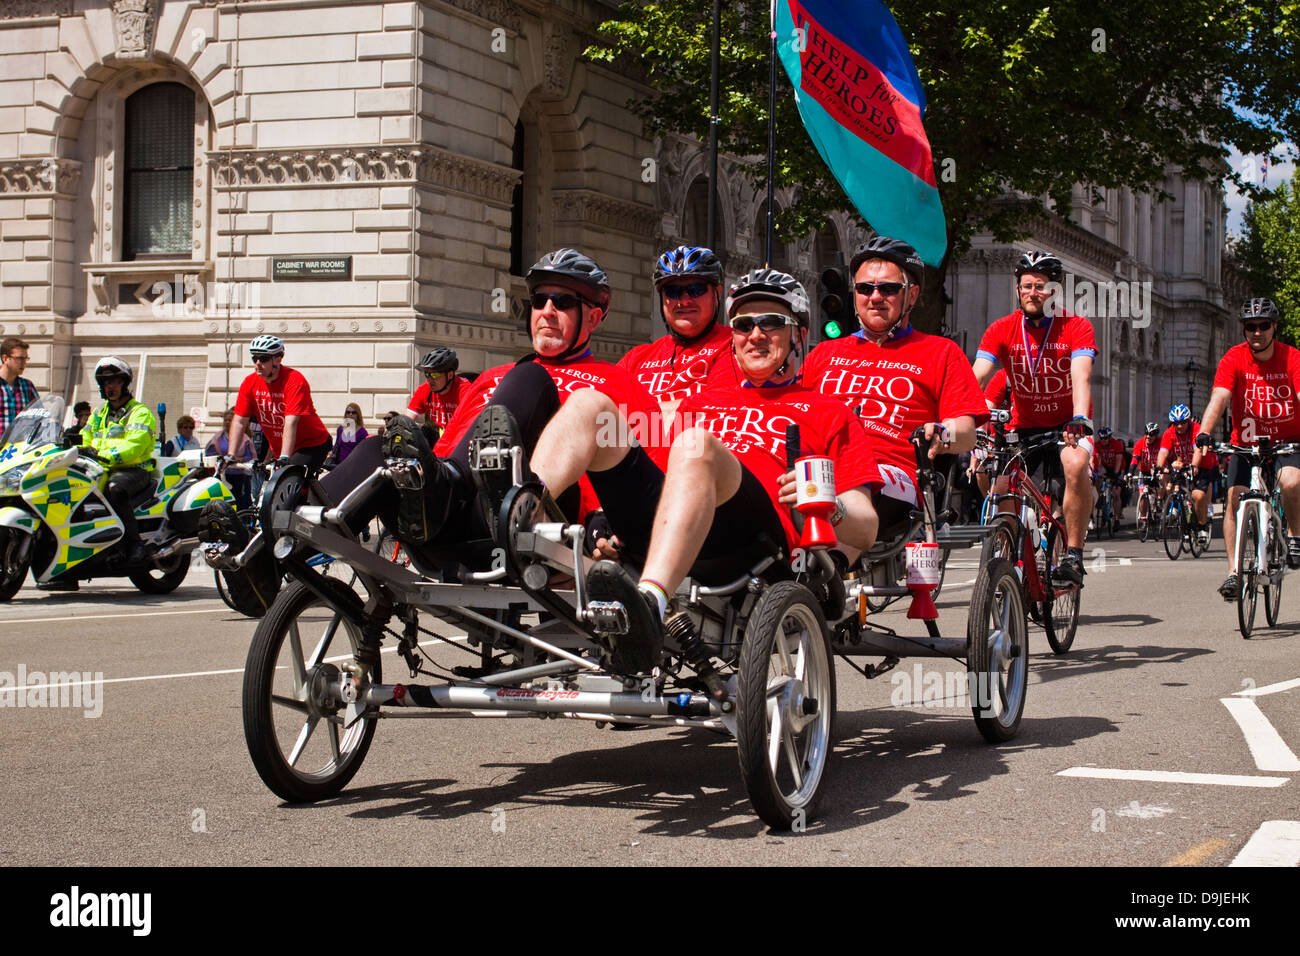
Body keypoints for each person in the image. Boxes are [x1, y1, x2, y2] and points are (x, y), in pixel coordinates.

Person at [524, 268, 883, 675]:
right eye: (744, 324)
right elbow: (644, 465)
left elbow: (865, 527)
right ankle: (520, 518)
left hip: (753, 544)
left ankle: (650, 603)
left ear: (798, 334)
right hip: (673, 521)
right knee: (591, 405)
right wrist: (602, 519)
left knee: (697, 446)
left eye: (772, 323)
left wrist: (826, 503)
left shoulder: (827, 411)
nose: (757, 334)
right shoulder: (698, 403)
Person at [305, 248, 656, 550]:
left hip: (536, 516)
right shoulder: (491, 378)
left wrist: (603, 516)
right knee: (377, 448)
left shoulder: (617, 381)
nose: (547, 310)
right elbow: (445, 450)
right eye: (539, 301)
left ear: (593, 316)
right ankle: (280, 540)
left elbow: (636, 468)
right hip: (445, 514)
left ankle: (451, 486)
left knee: (531, 377)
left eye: (563, 302)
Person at [801, 236, 987, 537]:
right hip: (819, 468)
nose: (875, 297)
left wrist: (942, 433)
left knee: (852, 478)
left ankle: (831, 557)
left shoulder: (941, 352)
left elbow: (966, 433)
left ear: (911, 296)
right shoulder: (822, 354)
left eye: (888, 289)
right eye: (864, 288)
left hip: (890, 476)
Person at [971, 250, 1097, 584]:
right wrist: (960, 415)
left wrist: (1079, 418)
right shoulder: (1001, 329)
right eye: (1026, 286)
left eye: (1040, 286)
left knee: (1073, 464)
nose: (1032, 293)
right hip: (1023, 428)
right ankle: (1008, 564)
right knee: (997, 487)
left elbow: (1081, 376)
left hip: (1067, 425)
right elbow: (979, 376)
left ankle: (1073, 554)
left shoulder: (1076, 327)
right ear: (1017, 290)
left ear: (1054, 291)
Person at [1194, 298, 1300, 599]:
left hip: (1287, 441)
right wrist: (1204, 431)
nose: (1257, 332)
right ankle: (1233, 573)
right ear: (1243, 329)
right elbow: (1219, 398)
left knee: (1292, 482)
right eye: (1251, 327)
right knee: (1234, 501)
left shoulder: (1292, 357)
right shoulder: (1233, 358)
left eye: (1264, 325)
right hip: (1246, 444)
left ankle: (1295, 536)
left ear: (1274, 327)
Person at [619, 245, 733, 418]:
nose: (685, 301)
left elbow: (716, 408)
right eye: (673, 292)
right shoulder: (635, 359)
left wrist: (634, 415)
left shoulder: (733, 345)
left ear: (716, 293)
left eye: (696, 290)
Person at [76, 357, 158, 565]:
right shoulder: (98, 414)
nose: (110, 386)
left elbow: (135, 446)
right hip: (99, 468)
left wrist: (105, 455)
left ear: (125, 383)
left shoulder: (139, 412)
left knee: (116, 489)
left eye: (115, 381)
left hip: (134, 470)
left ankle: (134, 544)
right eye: (106, 382)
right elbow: (85, 439)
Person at [226, 335, 333, 476]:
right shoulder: (249, 383)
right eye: (254, 358)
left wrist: (284, 458)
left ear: (278, 359)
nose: (257, 363)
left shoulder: (294, 380)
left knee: (288, 481)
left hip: (312, 445)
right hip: (282, 448)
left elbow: (290, 422)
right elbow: (240, 421)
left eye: (263, 359)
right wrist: (231, 455)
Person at [1155, 405, 1216, 545]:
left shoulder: (1196, 429)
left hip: (1201, 466)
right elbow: (1163, 451)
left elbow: (1197, 451)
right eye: (1176, 423)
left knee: (1198, 496)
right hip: (1183, 465)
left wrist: (1194, 467)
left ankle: (1201, 527)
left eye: (1183, 422)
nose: (1180, 426)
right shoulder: (1169, 433)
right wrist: (1159, 467)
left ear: (1188, 420)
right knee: (1168, 481)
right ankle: (1176, 507)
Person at [404, 348, 467, 438]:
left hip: (462, 436)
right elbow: (407, 421)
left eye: (435, 375)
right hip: (441, 436)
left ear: (450, 375)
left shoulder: (464, 390)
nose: (429, 380)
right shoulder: (424, 389)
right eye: (427, 374)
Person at [206, 408, 256, 508]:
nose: (228, 422)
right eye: (226, 420)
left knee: (239, 502)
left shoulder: (244, 438)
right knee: (224, 502)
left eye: (230, 420)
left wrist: (240, 459)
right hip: (223, 475)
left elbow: (250, 456)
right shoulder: (218, 437)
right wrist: (220, 459)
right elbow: (209, 453)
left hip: (239, 476)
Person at [0, 336, 38, 436]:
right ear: (5, 358)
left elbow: (39, 416)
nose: (24, 363)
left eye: (26, 358)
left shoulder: (27, 386)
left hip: (20, 448)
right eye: (19, 358)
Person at [1128, 421, 1162, 526]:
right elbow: (1135, 460)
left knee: (1159, 488)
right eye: (1146, 433)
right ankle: (1143, 518)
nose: (1148, 436)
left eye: (1151, 434)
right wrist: (1130, 473)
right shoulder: (1140, 443)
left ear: (1156, 435)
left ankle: (1160, 504)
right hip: (1144, 470)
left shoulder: (1161, 442)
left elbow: (1166, 456)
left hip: (1157, 470)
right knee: (1143, 493)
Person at [1091, 426, 1128, 523]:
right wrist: (1099, 472)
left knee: (1116, 494)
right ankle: (1100, 498)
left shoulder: (1116, 444)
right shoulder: (1097, 445)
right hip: (1106, 467)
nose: (1103, 440)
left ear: (1110, 437)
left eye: (1106, 438)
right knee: (1099, 478)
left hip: (1117, 468)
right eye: (1101, 438)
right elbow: (1097, 460)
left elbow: (1119, 460)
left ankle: (1116, 518)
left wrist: (1116, 474)